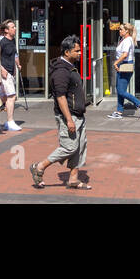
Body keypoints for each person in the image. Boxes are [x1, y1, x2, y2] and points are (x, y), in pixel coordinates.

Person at [29, 35, 90, 190]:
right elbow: (60, 96)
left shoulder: (70, 67)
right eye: (77, 51)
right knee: (69, 147)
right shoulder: (61, 71)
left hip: (78, 114)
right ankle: (39, 166)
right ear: (67, 52)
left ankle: (73, 179)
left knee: (79, 146)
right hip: (68, 116)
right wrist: (69, 119)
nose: (80, 53)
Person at [108, 22, 140, 119]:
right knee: (120, 89)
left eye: (121, 29)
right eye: (119, 29)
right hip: (123, 65)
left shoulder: (127, 41)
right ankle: (119, 111)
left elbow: (125, 55)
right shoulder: (124, 40)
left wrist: (116, 62)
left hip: (125, 65)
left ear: (126, 31)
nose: (119, 31)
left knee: (121, 91)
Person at [0, 19, 23, 131]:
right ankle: (10, 121)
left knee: (3, 97)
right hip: (5, 73)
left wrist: (18, 65)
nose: (15, 29)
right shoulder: (2, 42)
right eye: (13, 27)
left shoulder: (12, 41)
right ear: (6, 30)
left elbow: (14, 55)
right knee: (11, 97)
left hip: (11, 73)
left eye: (15, 27)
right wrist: (2, 69)